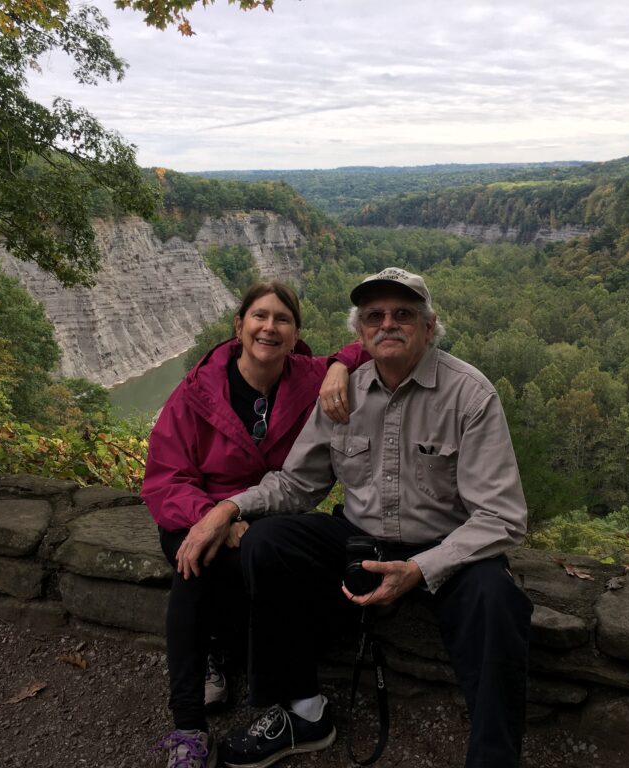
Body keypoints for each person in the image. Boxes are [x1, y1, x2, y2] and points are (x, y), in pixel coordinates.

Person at [180, 267, 532, 768]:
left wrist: (420, 570)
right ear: (360, 331)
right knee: (266, 542)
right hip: (360, 540)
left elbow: (502, 516)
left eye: (403, 314)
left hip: (445, 547)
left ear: (429, 327)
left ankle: (493, 759)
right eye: (374, 316)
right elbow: (298, 484)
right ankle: (301, 711)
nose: (388, 324)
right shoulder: (341, 395)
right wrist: (229, 507)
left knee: (498, 600)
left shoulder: (469, 395)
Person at [142, 280, 367, 768]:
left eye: (282, 319)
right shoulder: (197, 392)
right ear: (238, 326)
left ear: (295, 333)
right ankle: (188, 726)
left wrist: (341, 364)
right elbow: (165, 478)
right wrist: (214, 519)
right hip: (196, 514)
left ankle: (220, 657)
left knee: (252, 557)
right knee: (194, 563)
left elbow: (376, 342)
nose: (270, 327)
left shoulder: (311, 378)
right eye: (259, 316)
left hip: (267, 518)